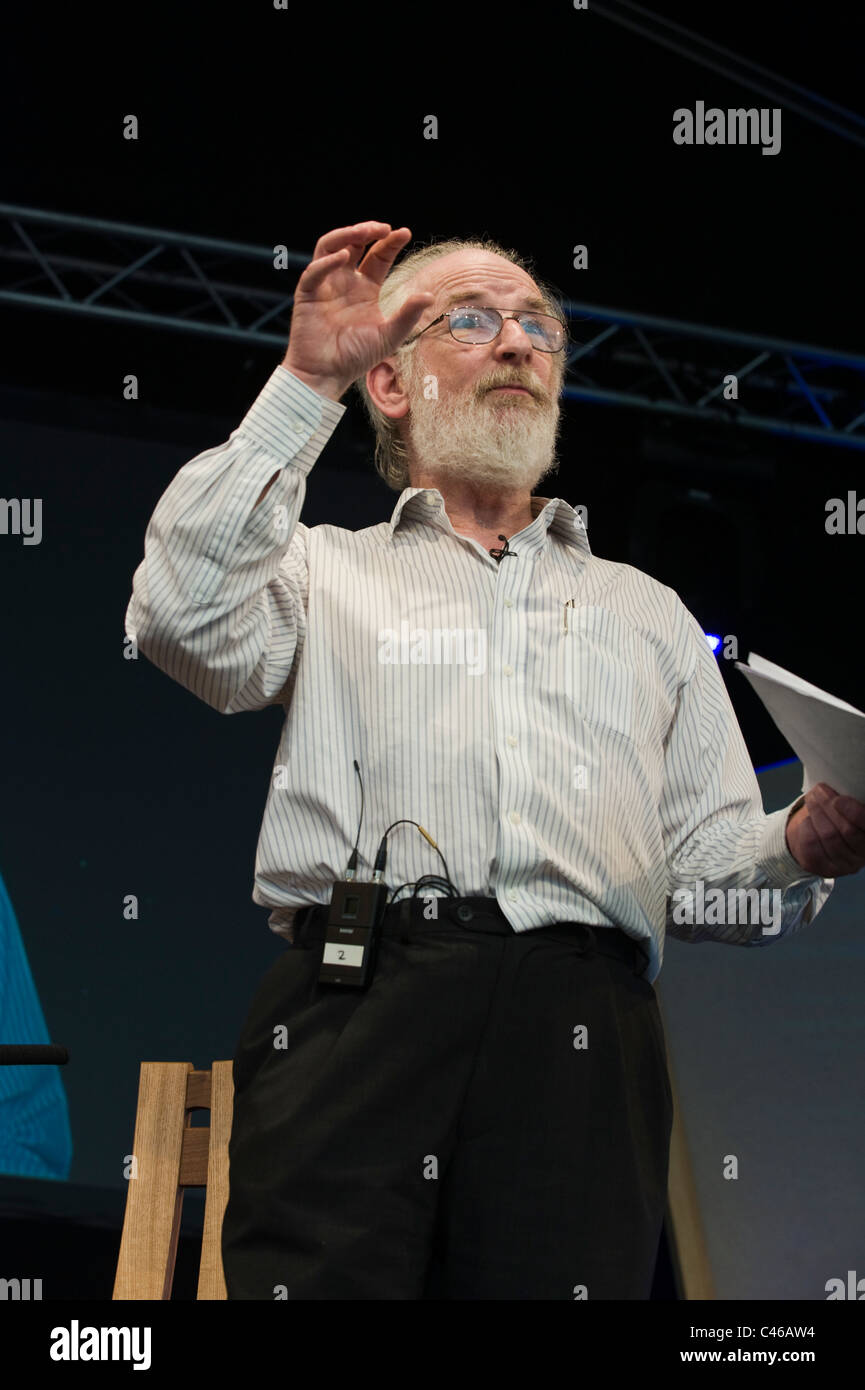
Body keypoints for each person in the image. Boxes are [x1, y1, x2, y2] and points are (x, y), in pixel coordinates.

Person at [125, 222, 865, 1300]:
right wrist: (302, 381)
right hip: (360, 1004)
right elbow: (180, 616)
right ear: (390, 380)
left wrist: (804, 840)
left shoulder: (645, 613)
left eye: (538, 328)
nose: (517, 343)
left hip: (581, 1029)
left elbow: (705, 878)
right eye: (471, 320)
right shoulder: (325, 572)